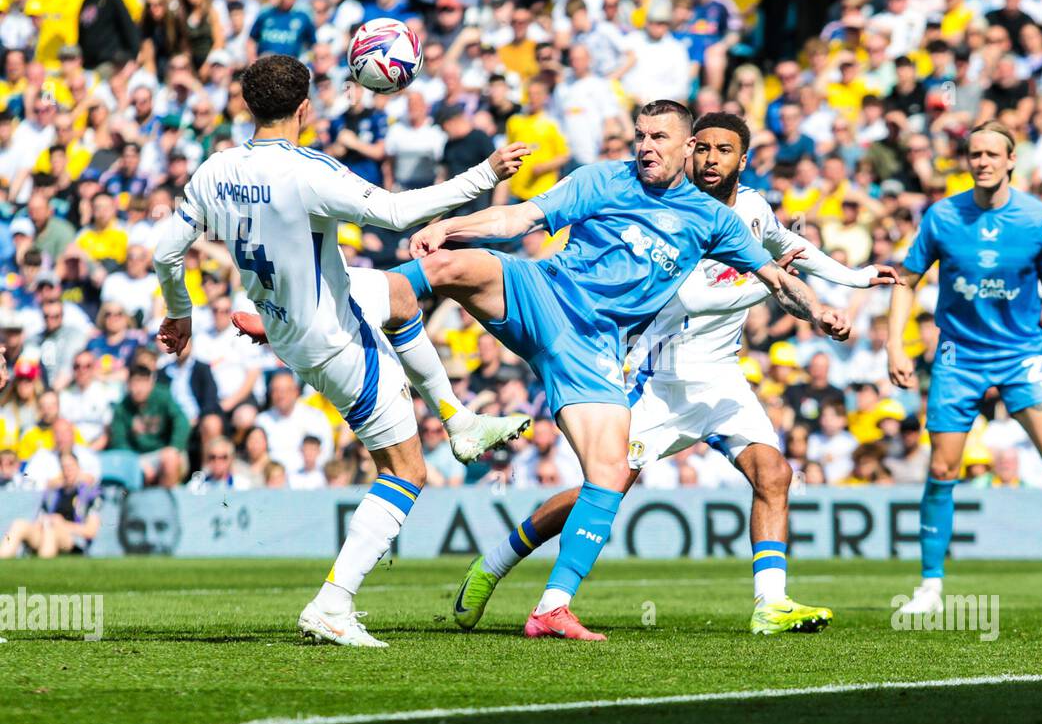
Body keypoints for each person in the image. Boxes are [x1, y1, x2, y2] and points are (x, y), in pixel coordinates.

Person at [403, 100, 851, 640]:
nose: (710, 159)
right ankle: (494, 563)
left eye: (720, 151)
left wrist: (824, 303)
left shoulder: (741, 216)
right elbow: (698, 289)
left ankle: (770, 604)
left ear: (741, 160)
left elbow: (789, 262)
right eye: (703, 148)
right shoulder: (622, 188)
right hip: (659, 377)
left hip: (721, 378)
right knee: (605, 485)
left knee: (773, 472)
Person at [151, 55, 525, 647]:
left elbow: (164, 252)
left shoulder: (214, 169)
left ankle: (460, 420)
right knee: (405, 470)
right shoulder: (308, 171)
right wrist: (486, 173)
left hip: (301, 318)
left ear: (249, 107)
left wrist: (178, 311)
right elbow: (399, 213)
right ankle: (333, 601)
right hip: (334, 338)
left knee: (402, 294)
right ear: (305, 109)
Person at [887, 120, 1042, 615]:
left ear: (1012, 160)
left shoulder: (1038, 218)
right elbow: (904, 281)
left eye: (993, 154)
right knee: (943, 467)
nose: (983, 162)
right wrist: (895, 345)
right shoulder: (943, 216)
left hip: (1024, 356)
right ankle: (930, 585)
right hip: (959, 357)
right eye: (975, 154)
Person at [0, 452, 101, 558]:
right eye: (64, 468)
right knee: (19, 525)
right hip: (46, 531)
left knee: (51, 529)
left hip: (73, 539)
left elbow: (91, 531)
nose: (67, 471)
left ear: (78, 468)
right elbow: (41, 519)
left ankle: (42, 569)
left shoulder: (91, 494)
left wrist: (62, 523)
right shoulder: (53, 494)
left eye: (70, 467)